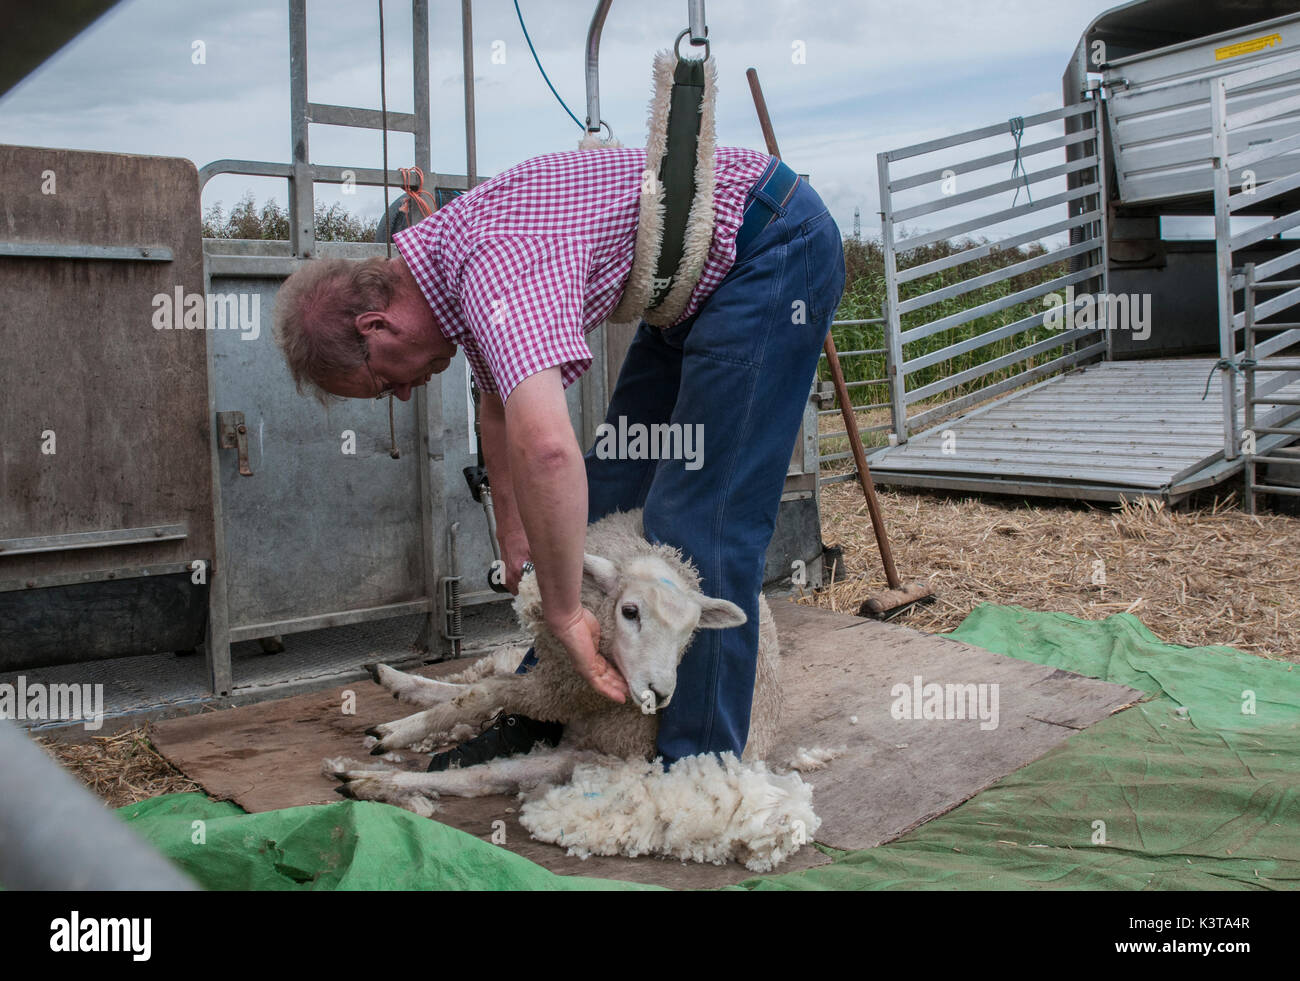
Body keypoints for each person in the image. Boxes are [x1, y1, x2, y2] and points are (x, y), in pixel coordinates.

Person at [273, 144, 846, 768]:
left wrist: (565, 610)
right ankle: (541, 710)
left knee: (701, 527)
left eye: (386, 382)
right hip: (695, 279)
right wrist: (515, 532)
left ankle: (697, 773)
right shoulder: (445, 261)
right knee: (598, 508)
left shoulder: (495, 272)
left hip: (770, 246)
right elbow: (498, 403)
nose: (406, 391)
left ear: (375, 326)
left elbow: (548, 452)